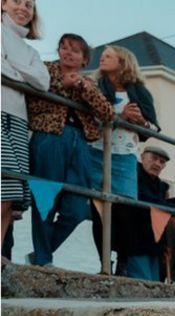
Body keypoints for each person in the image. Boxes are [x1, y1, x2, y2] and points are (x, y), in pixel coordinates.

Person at [26, 33, 114, 266]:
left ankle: (39, 255)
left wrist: (84, 88)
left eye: (75, 50)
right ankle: (43, 259)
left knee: (77, 209)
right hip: (49, 137)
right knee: (45, 199)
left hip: (81, 142)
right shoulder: (45, 70)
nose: (68, 53)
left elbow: (107, 113)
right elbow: (31, 102)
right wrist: (60, 86)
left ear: (85, 59)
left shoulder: (90, 83)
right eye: (64, 47)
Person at [88, 45, 158, 262]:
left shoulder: (140, 91)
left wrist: (141, 121)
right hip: (96, 152)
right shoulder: (95, 87)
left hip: (126, 155)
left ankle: (122, 263)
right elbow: (89, 121)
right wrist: (122, 116)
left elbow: (154, 128)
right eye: (102, 55)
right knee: (99, 213)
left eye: (109, 56)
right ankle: (104, 263)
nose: (102, 58)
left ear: (123, 62)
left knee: (126, 213)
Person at [1, 0, 48, 265]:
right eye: (17, 1)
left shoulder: (30, 50)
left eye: (29, 5)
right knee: (6, 186)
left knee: (15, 191)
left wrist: (13, 68)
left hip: (19, 119)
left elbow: (43, 81)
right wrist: (25, 76)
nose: (23, 8)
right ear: (2, 4)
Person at [115, 144, 170, 281]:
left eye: (162, 161)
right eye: (154, 158)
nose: (157, 164)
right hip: (135, 243)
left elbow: (161, 216)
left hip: (153, 246)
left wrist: (165, 244)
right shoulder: (132, 174)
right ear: (142, 157)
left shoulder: (160, 186)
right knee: (143, 284)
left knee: (154, 286)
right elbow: (148, 200)